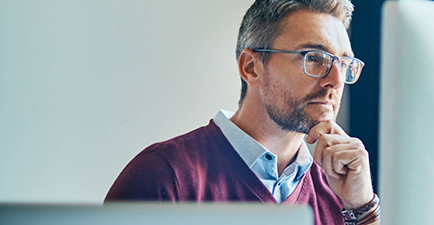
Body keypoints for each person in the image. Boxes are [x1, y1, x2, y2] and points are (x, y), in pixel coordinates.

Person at [105, 0, 378, 224]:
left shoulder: (341, 190)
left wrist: (362, 208)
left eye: (343, 63)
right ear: (251, 67)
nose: (337, 80)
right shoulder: (163, 176)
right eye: (314, 58)